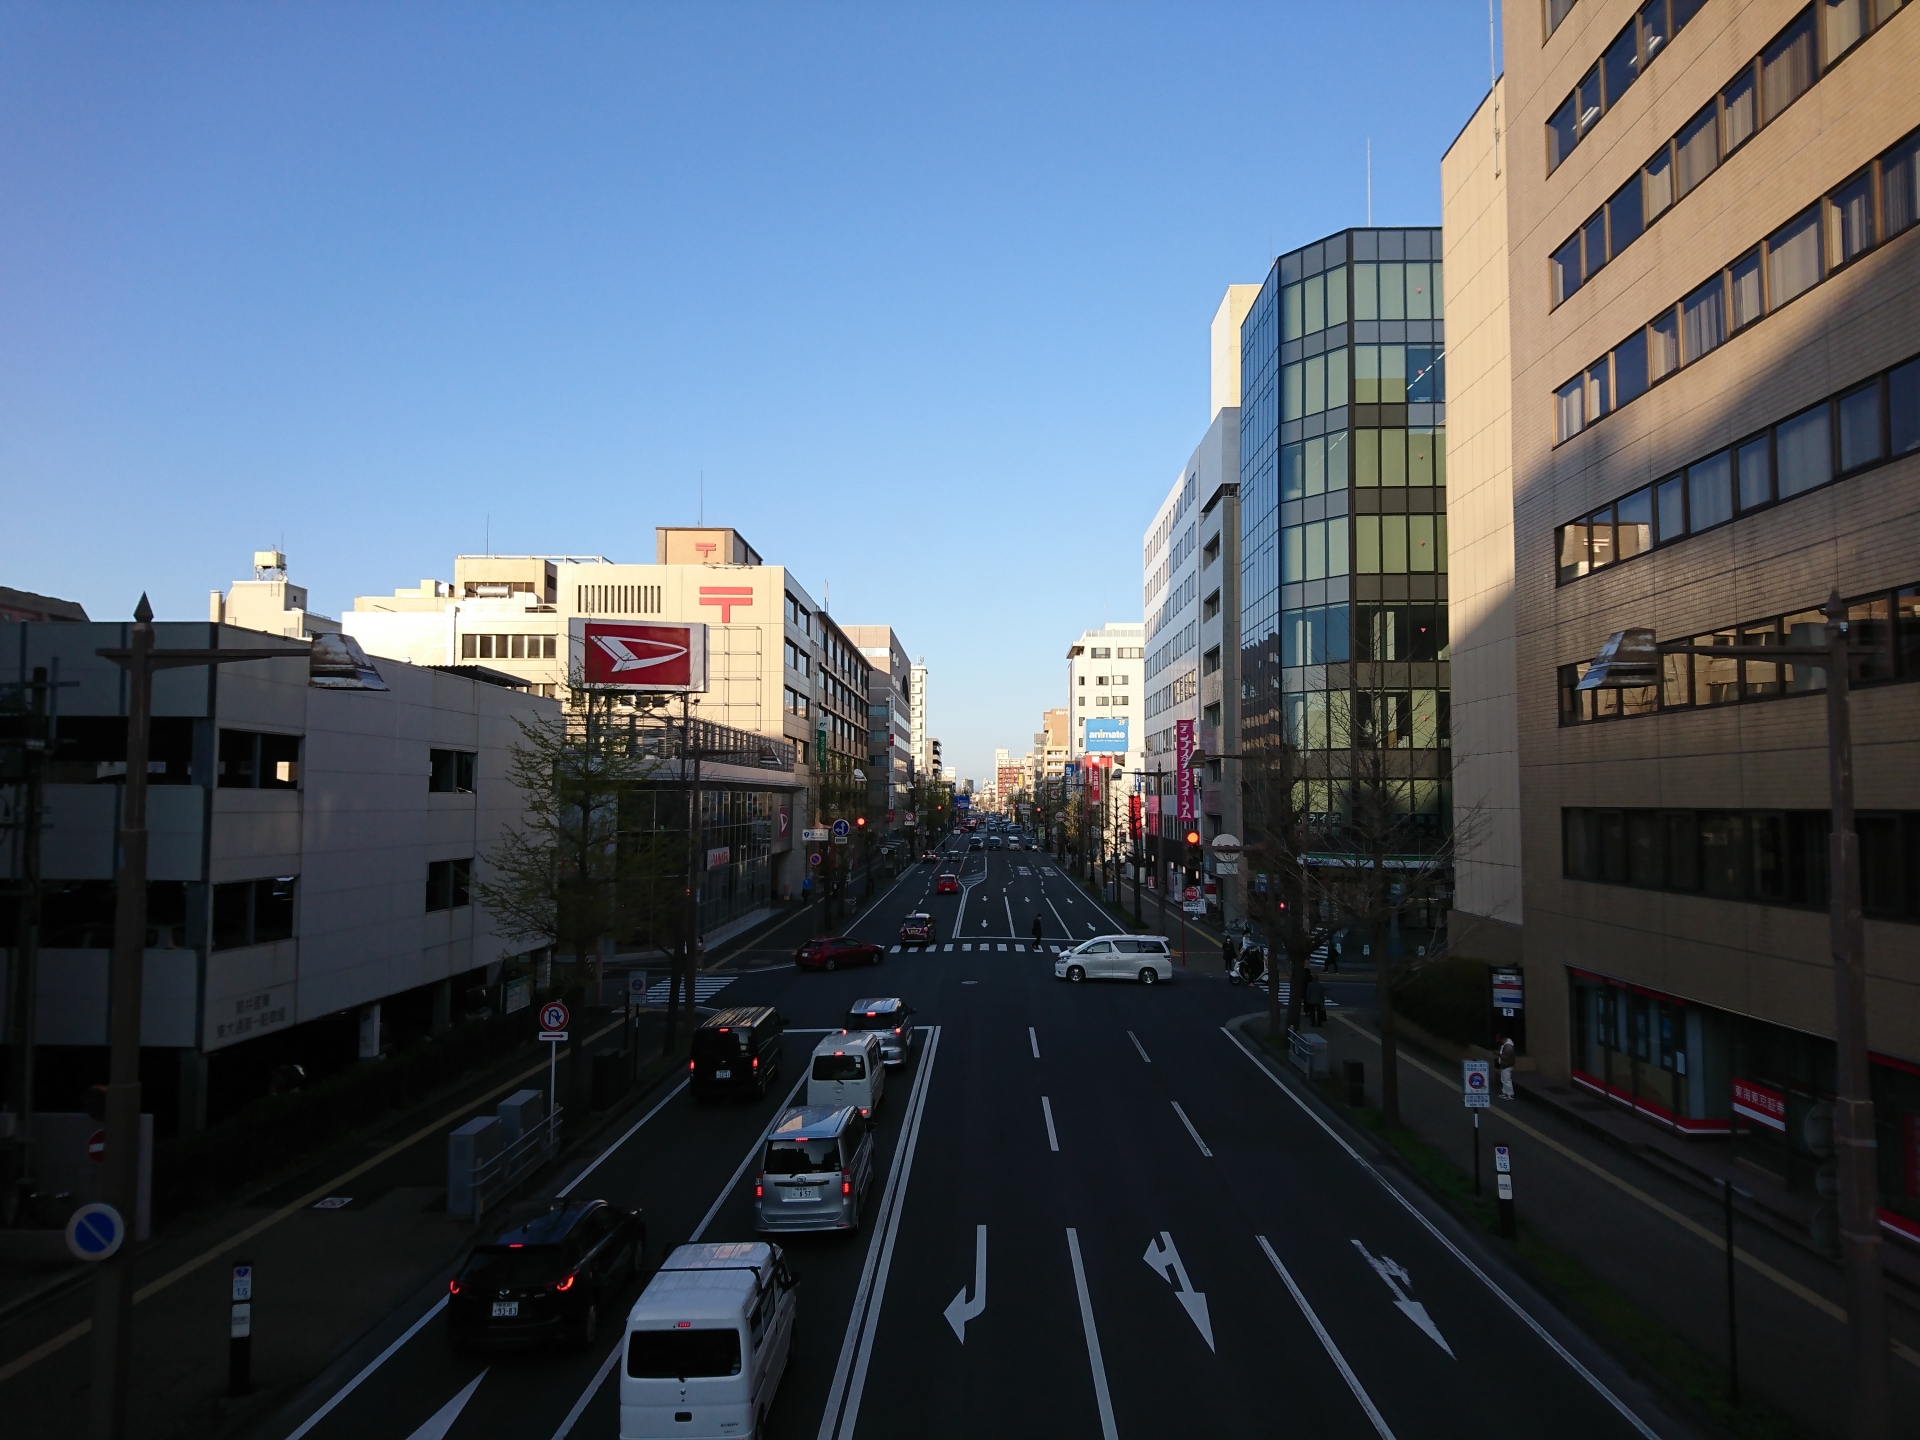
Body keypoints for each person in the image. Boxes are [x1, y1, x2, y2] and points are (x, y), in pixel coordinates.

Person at [1495, 1033, 1517, 1099]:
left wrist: (1498, 1054)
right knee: (1504, 1079)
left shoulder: (1508, 1047)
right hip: (1505, 1065)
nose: (1500, 1042)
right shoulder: (1506, 1045)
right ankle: (1505, 1092)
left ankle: (1510, 1094)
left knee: (1507, 1080)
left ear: (1503, 1039)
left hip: (1506, 1065)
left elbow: (1506, 1057)